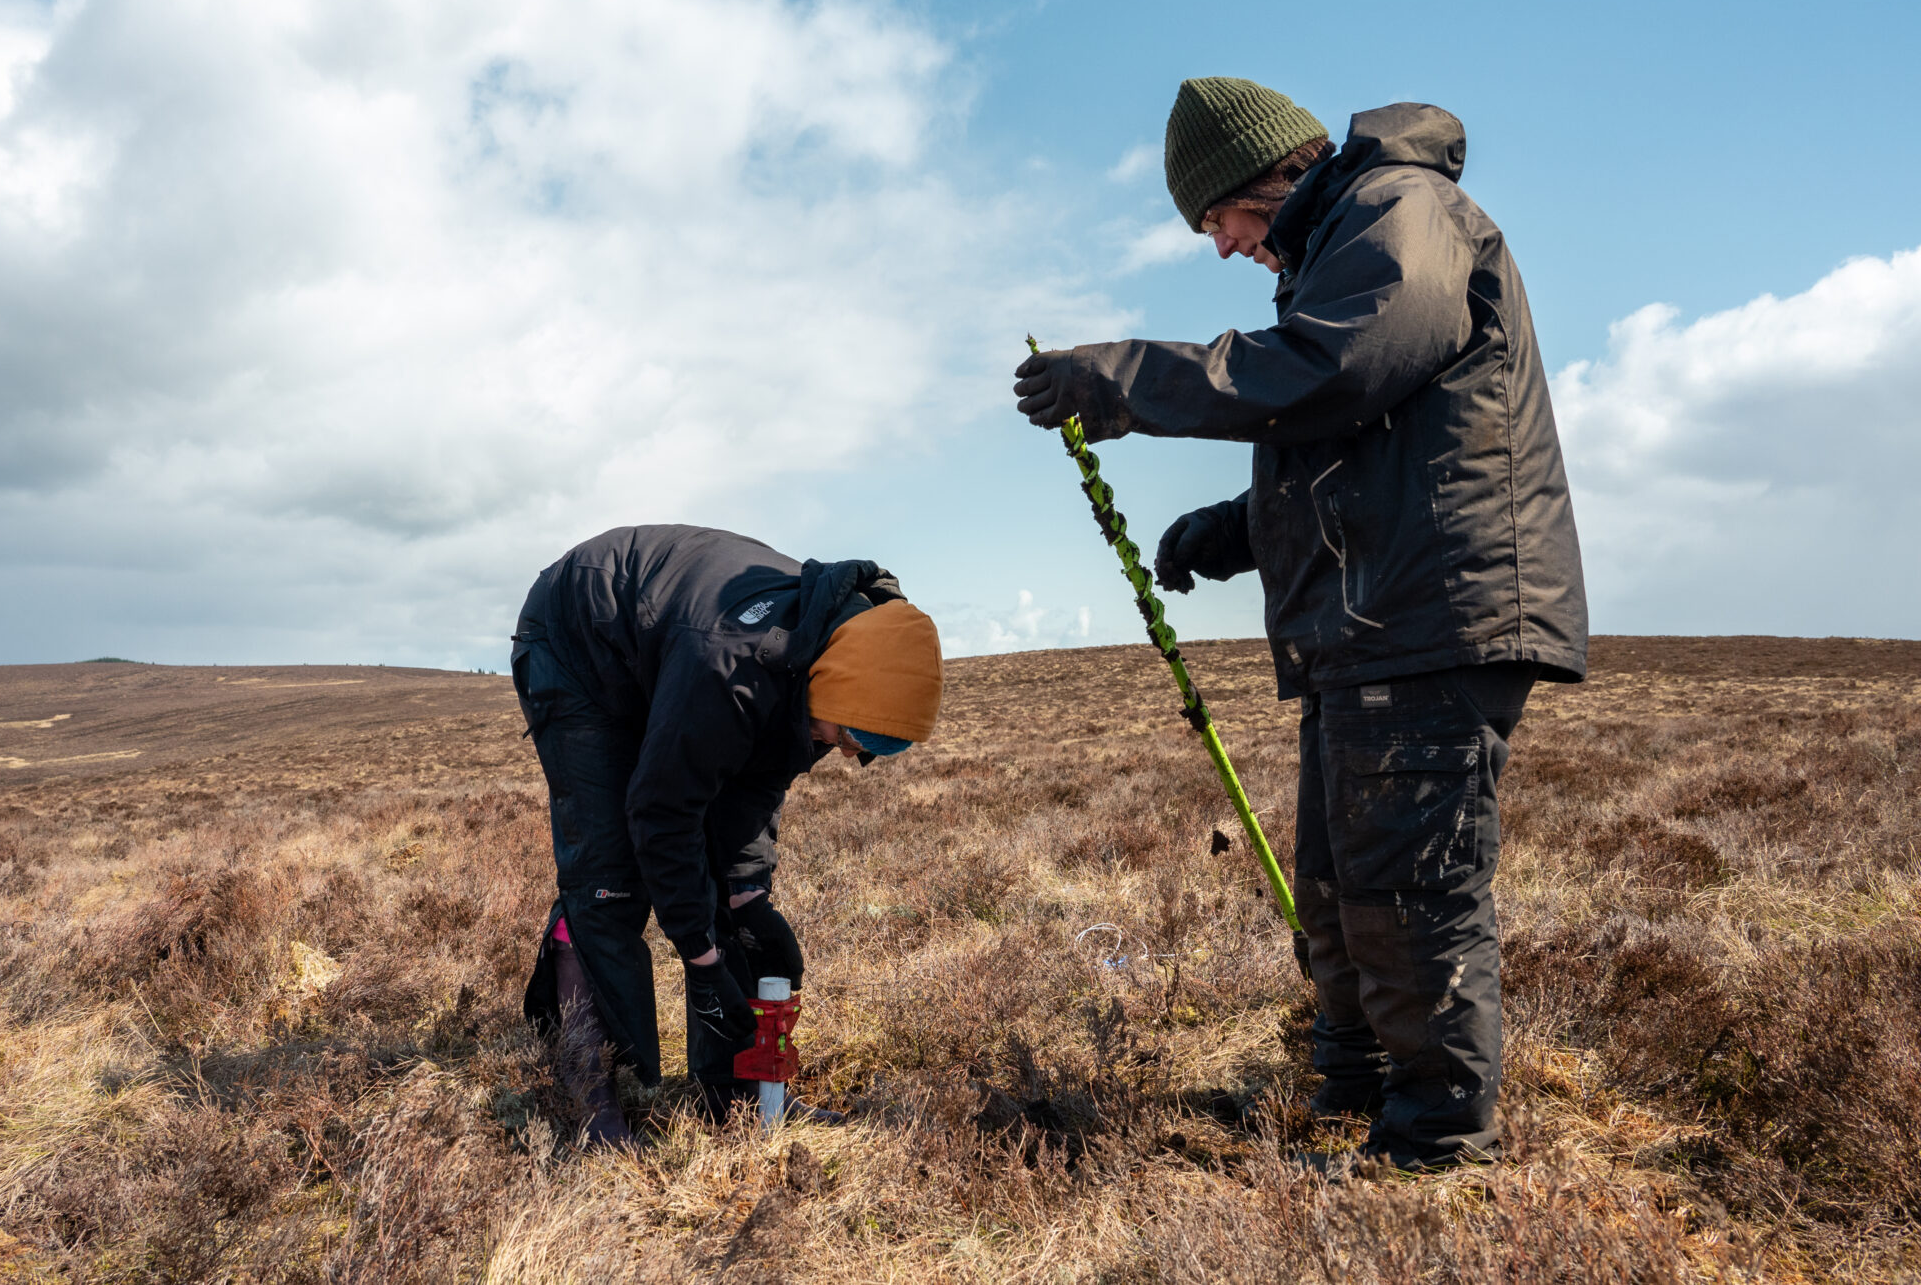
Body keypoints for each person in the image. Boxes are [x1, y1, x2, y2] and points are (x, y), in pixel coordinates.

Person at [1012, 78, 1588, 1171]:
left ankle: (1432, 1151)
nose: (1223, 249)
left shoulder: (1398, 209)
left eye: (1218, 221)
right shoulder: (1337, 244)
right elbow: (1357, 436)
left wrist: (1125, 378)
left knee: (1405, 891)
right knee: (1335, 883)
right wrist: (1228, 532)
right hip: (1368, 624)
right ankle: (1343, 1092)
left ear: (1270, 178)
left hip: (1432, 615)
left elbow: (1337, 369)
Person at [509, 525, 942, 1145]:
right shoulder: (735, 665)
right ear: (834, 683)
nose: (848, 754)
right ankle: (591, 1097)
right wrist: (702, 956)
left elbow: (754, 786)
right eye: (851, 737)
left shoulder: (826, 664)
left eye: (869, 749)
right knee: (610, 880)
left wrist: (746, 897)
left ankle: (738, 1101)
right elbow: (663, 814)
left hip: (667, 655)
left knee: (730, 901)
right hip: (579, 643)